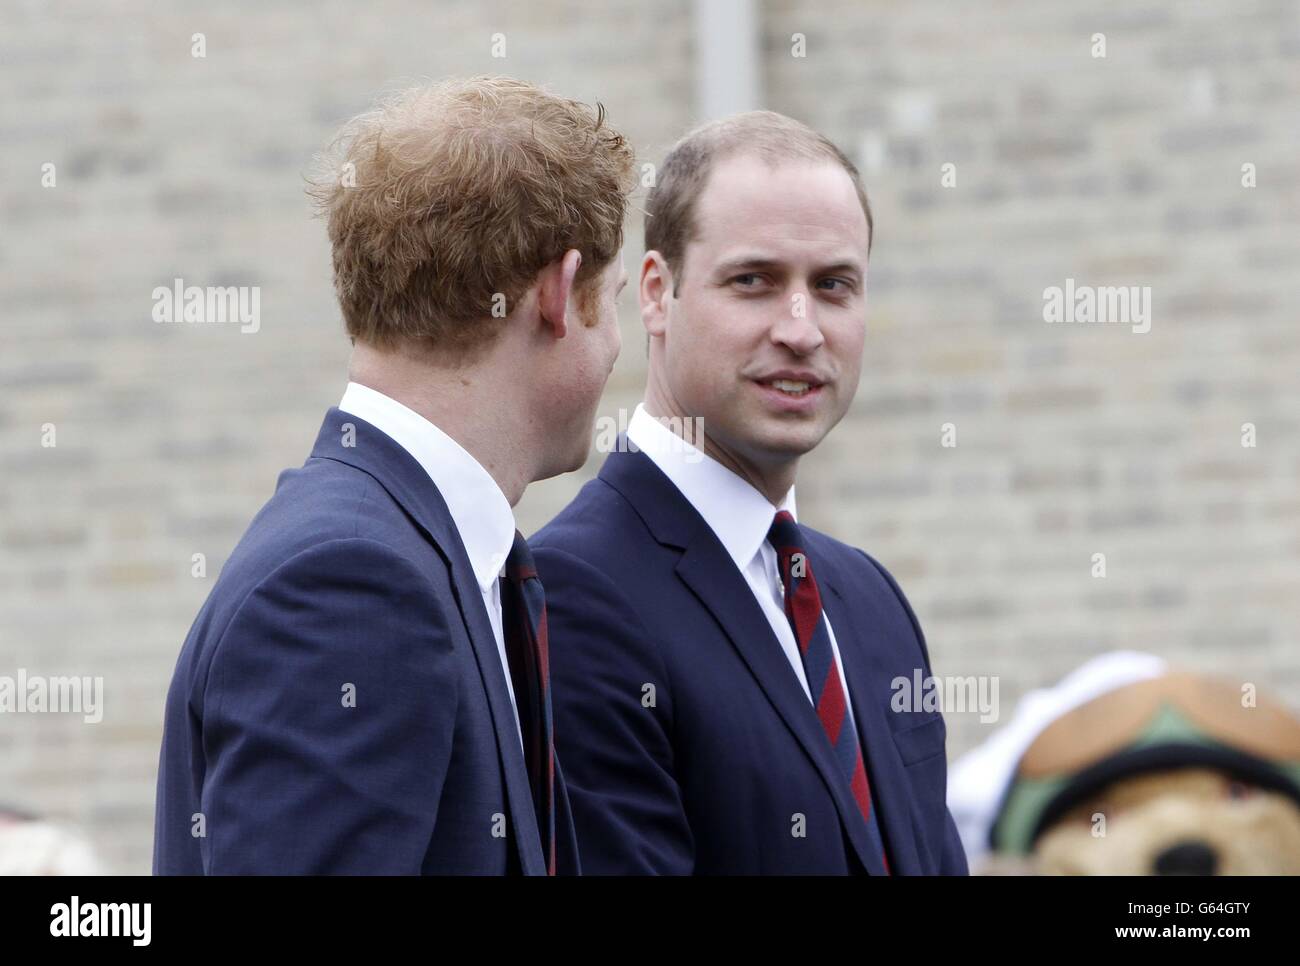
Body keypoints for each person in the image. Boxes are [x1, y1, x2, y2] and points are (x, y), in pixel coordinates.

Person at [153, 76, 635, 874]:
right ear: (559, 292)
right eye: (611, 299)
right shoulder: (352, 584)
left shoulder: (429, 557)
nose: (620, 346)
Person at [532, 111, 967, 874]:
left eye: (833, 286)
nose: (801, 330)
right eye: (754, 282)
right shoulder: (574, 595)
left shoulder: (869, 601)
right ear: (658, 294)